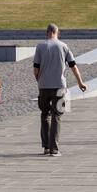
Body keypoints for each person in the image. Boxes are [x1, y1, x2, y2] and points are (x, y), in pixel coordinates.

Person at [32, 23, 87, 157]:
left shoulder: (40, 46)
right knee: (57, 115)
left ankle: (45, 147)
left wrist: (39, 80)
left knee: (45, 114)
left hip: (44, 86)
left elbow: (36, 67)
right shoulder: (64, 46)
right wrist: (80, 83)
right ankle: (54, 149)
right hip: (59, 86)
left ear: (47, 32)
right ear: (57, 32)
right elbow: (73, 66)